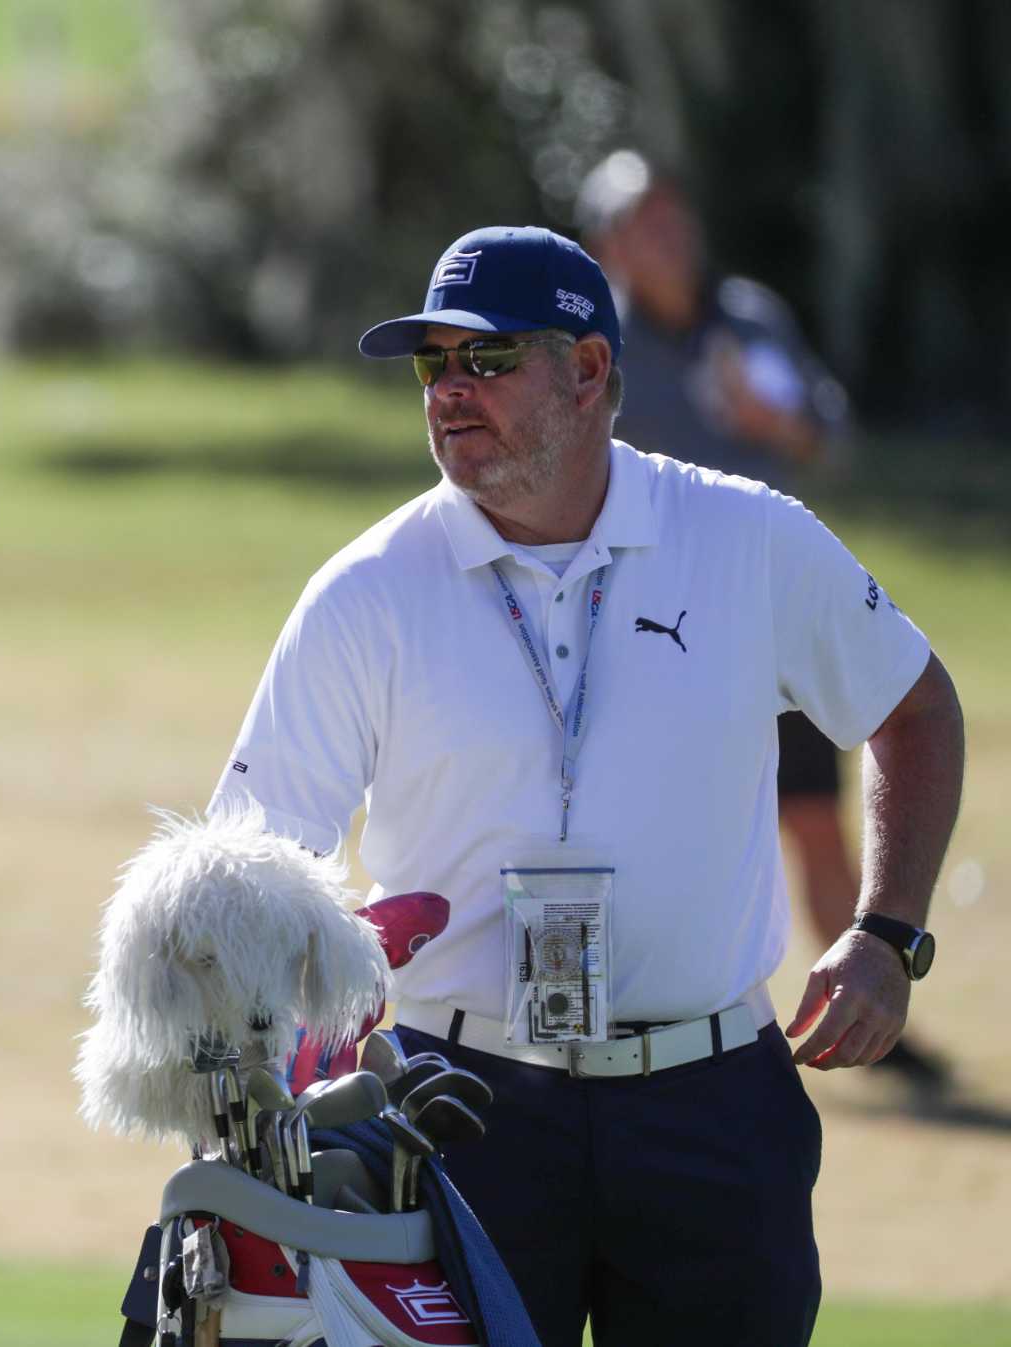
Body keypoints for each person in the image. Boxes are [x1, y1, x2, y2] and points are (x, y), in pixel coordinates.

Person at [210, 225, 963, 1345]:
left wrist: (886, 933)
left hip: (707, 1099)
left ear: (590, 369)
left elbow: (914, 706)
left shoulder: (746, 537)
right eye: (433, 365)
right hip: (454, 1106)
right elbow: (253, 858)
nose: (449, 394)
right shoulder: (363, 591)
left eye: (487, 358)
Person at [575, 152, 951, 1096]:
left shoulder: (747, 319)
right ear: (607, 245)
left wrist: (767, 418)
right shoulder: (592, 340)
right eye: (642, 223)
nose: (667, 236)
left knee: (818, 818)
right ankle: (619, 1016)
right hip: (643, 626)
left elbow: (830, 434)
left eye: (673, 216)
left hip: (766, 612)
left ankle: (858, 1005)